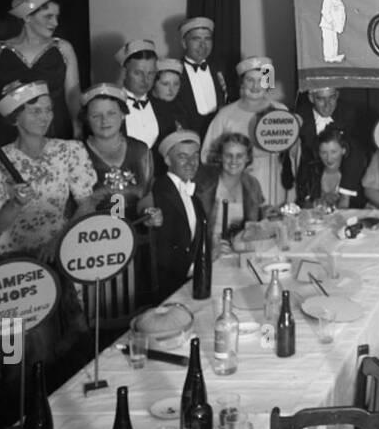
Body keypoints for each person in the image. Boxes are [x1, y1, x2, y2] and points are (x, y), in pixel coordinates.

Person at [0, 80, 99, 420]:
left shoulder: (70, 151)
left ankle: (70, 414)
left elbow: (86, 204)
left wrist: (57, 241)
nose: (45, 116)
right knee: (31, 346)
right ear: (15, 118)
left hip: (57, 255)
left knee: (72, 340)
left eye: (48, 109)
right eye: (35, 110)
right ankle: (30, 418)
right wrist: (15, 204)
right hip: (13, 264)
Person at [0, 0, 82, 149]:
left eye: (57, 17)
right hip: (8, 137)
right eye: (48, 17)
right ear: (27, 17)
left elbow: (73, 97)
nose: (55, 23)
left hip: (54, 133)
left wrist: (78, 132)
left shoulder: (63, 48)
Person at [203, 56, 292, 207]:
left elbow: (293, 153)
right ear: (242, 82)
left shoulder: (281, 111)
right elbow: (207, 154)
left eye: (261, 80)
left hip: (274, 181)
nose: (256, 86)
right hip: (238, 185)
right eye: (250, 80)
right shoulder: (225, 115)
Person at [80, 83, 156, 218]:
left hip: (136, 233)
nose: (104, 120)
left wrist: (150, 212)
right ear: (87, 119)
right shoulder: (76, 153)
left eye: (111, 113)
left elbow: (147, 194)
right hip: (93, 235)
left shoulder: (140, 151)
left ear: (123, 114)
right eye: (96, 115)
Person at [150, 130, 208, 300]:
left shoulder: (194, 196)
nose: (191, 162)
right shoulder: (159, 190)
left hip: (187, 281)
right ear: (168, 160)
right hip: (166, 287)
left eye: (194, 156)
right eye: (182, 156)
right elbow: (145, 207)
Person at [280, 85, 359, 196]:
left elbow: (356, 154)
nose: (327, 105)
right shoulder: (298, 117)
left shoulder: (348, 114)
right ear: (311, 98)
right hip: (307, 186)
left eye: (331, 98)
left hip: (343, 184)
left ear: (337, 95)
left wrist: (346, 193)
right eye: (321, 99)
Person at [196, 131, 269, 240]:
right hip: (208, 250)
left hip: (241, 249)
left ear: (248, 158)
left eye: (239, 156)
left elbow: (256, 221)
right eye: (228, 155)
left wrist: (267, 213)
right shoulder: (203, 181)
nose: (233, 161)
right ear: (220, 157)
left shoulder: (252, 184)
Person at [115, 39, 181, 156]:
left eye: (150, 73)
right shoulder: (112, 106)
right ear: (124, 72)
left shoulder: (164, 108)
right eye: (138, 73)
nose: (145, 80)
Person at [171, 17, 231, 136]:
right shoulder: (173, 73)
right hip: (188, 141)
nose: (203, 45)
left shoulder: (220, 69)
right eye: (196, 39)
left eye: (207, 39)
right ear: (184, 43)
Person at [292, 125, 369, 211]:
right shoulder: (310, 171)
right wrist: (316, 203)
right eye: (324, 153)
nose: (329, 158)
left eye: (333, 152)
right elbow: (300, 203)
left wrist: (338, 202)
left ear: (343, 150)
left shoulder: (353, 175)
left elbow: (360, 205)